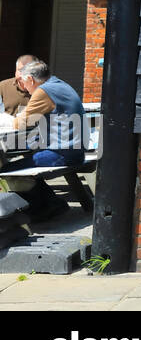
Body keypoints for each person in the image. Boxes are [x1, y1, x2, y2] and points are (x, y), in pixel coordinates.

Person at [1, 60, 85, 220]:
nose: (23, 88)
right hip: (75, 150)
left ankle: (46, 206)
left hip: (62, 153)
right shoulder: (61, 85)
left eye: (23, 82)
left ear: (31, 80)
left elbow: (20, 123)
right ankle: (48, 203)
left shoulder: (43, 92)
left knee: (6, 170)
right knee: (24, 154)